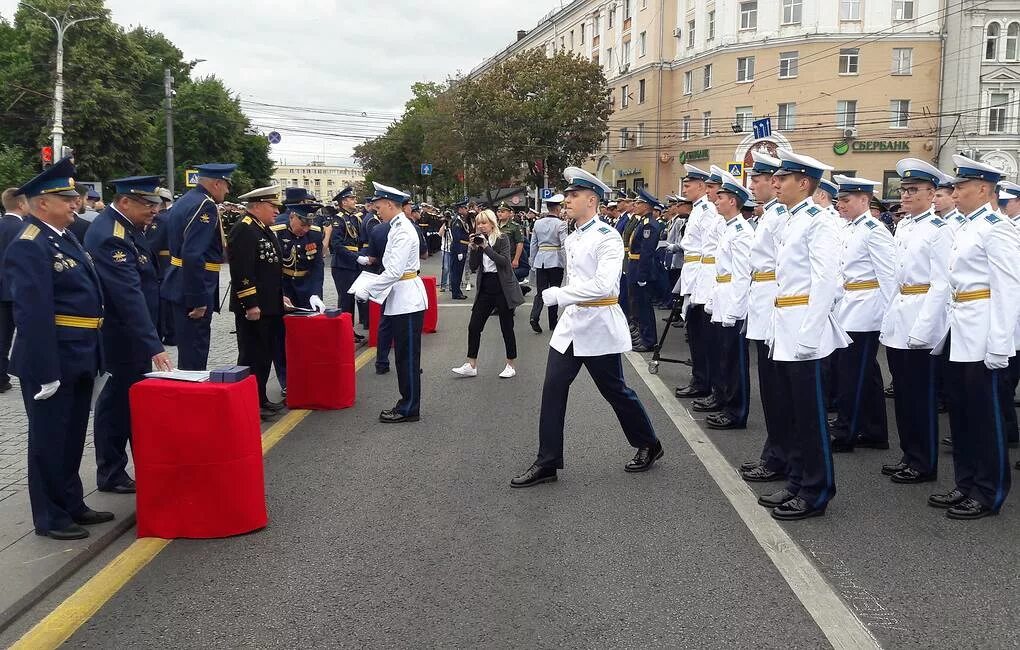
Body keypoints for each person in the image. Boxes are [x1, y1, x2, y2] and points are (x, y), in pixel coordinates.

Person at [511, 167, 662, 488]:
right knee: (553, 388)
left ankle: (648, 443)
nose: (566, 200)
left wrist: (559, 294)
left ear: (591, 200)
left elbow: (604, 285)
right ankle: (547, 461)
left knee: (615, 391)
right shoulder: (574, 235)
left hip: (598, 324)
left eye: (573, 195)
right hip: (572, 324)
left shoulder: (605, 237)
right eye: (567, 195)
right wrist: (565, 298)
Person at [4, 157, 112, 540]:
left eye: (73, 197)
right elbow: (32, 315)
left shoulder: (65, 238)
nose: (74, 203)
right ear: (40, 202)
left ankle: (71, 502)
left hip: (81, 352)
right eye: (65, 198)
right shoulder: (29, 245)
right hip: (53, 358)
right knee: (48, 439)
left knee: (70, 435)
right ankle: (49, 516)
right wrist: (45, 371)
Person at [928, 155, 1020, 520]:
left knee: (987, 416)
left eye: (961, 187)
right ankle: (966, 483)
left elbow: (1007, 288)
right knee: (963, 414)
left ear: (983, 189)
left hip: (983, 332)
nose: (955, 192)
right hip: (960, 328)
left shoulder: (997, 227)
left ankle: (989, 490)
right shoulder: (966, 226)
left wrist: (1000, 343)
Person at [759, 148, 849, 521]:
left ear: (804, 183)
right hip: (786, 326)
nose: (775, 183)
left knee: (810, 417)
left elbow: (827, 281)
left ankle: (816, 490)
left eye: (782, 179)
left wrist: (810, 336)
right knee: (792, 413)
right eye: (775, 178)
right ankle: (797, 480)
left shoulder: (820, 221)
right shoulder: (793, 219)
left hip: (804, 332)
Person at [84, 176, 174, 495]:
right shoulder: (112, 235)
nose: (155, 210)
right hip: (123, 335)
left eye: (155, 204)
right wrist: (154, 344)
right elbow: (128, 295)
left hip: (133, 332)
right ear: (124, 202)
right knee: (116, 404)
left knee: (124, 401)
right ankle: (111, 472)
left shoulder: (126, 228)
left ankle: (126, 468)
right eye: (147, 204)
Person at [879, 159, 953, 485]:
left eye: (913, 190)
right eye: (904, 189)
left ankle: (924, 462)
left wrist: (924, 328)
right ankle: (909, 454)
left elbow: (941, 283)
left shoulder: (939, 230)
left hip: (922, 316)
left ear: (932, 193)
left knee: (920, 397)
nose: (905, 195)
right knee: (905, 394)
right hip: (901, 314)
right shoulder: (906, 226)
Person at [829, 175, 897, 453]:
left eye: (846, 201)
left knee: (852, 375)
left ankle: (847, 430)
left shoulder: (874, 230)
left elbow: (889, 277)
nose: (840, 206)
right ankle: (874, 430)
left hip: (866, 309)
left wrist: (889, 317)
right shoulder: (849, 229)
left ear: (864, 200)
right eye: (839, 201)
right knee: (865, 375)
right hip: (848, 305)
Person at [354, 183, 429, 423]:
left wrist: (367, 289)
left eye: (379, 207)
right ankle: (407, 402)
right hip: (401, 296)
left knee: (407, 357)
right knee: (404, 356)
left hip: (407, 298)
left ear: (389, 204)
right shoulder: (397, 227)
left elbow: (394, 271)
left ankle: (409, 407)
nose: (377, 212)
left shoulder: (403, 230)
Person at [737, 152, 791, 482]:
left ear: (774, 182)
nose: (752, 185)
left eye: (757, 180)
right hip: (764, 306)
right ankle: (774, 452)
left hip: (775, 308)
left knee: (778, 391)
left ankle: (780, 458)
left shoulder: (781, 217)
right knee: (771, 390)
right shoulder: (770, 215)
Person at [161, 163, 235, 370]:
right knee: (195, 350)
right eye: (227, 185)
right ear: (217, 183)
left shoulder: (186, 200)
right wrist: (198, 299)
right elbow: (193, 254)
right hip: (194, 284)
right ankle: (192, 398)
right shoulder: (205, 205)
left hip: (181, 280)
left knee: (189, 348)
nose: (228, 190)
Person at [229, 186, 292, 421]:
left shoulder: (262, 228)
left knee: (264, 355)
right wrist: (251, 303)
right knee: (252, 355)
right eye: (272, 206)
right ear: (257, 206)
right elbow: (242, 270)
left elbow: (270, 270)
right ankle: (249, 402)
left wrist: (279, 296)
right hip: (254, 307)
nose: (276, 211)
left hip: (269, 305)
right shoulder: (244, 229)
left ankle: (261, 397)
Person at [702, 170, 754, 430]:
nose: (716, 200)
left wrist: (735, 309)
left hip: (733, 300)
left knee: (735, 359)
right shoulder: (728, 228)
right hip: (723, 296)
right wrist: (714, 299)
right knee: (724, 356)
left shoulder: (742, 232)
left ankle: (737, 411)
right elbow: (720, 271)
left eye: (720, 196)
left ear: (733, 200)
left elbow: (743, 275)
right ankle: (726, 402)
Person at [451, 209, 525, 379]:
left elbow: (504, 262)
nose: (481, 226)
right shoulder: (478, 241)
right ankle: (471, 364)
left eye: (484, 223)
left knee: (507, 327)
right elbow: (474, 266)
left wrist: (486, 247)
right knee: (474, 326)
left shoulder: (502, 238)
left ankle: (510, 364)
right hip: (485, 287)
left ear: (492, 223)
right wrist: (474, 248)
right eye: (478, 223)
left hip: (502, 287)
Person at [272, 203, 327, 393]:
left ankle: (307, 374)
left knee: (307, 335)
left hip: (306, 287)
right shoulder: (276, 233)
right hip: (284, 286)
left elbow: (317, 266)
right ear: (292, 217)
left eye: (308, 225)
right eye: (302, 225)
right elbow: (272, 269)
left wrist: (315, 293)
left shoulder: (315, 233)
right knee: (281, 336)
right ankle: (286, 380)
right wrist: (279, 294)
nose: (305, 230)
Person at [674, 164, 718, 399]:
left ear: (701, 186)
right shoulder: (698, 210)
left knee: (700, 334)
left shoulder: (709, 211)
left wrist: (703, 285)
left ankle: (703, 381)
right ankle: (700, 379)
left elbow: (708, 252)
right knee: (694, 332)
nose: (685, 188)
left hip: (701, 275)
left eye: (688, 185)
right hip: (692, 272)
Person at [0, 187, 30, 393]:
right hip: (15, 291)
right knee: (21, 335)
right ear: (21, 204)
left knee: (2, 336)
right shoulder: (24, 230)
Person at [627, 188, 663, 352]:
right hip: (635, 267)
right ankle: (643, 336)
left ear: (647, 205)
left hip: (641, 270)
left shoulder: (650, 225)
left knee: (643, 307)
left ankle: (648, 340)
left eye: (638, 203)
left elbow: (646, 253)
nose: (635, 205)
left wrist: (642, 276)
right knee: (637, 306)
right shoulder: (643, 222)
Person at [329, 186, 366, 342]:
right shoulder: (338, 220)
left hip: (354, 263)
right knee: (345, 299)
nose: (354, 201)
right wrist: (355, 257)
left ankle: (349, 330)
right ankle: (344, 331)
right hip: (343, 265)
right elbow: (336, 245)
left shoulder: (355, 218)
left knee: (352, 298)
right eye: (351, 199)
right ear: (344, 202)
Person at [528, 198, 568, 333]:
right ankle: (552, 322)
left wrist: (533, 261)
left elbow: (533, 244)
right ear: (557, 209)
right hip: (555, 260)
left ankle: (534, 316)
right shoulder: (561, 224)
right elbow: (563, 245)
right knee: (554, 291)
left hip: (541, 259)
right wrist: (566, 263)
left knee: (540, 291)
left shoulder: (537, 223)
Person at [145, 188, 175, 346]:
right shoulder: (173, 215)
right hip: (171, 261)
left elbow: (151, 244)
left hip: (161, 263)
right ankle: (171, 333)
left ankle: (166, 332)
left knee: (163, 302)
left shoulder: (160, 219)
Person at [448, 199, 471, 300]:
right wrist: (459, 252)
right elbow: (457, 237)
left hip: (463, 246)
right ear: (460, 209)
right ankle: (456, 292)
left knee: (458, 271)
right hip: (459, 248)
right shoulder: (457, 221)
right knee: (456, 271)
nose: (467, 210)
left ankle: (457, 290)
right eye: (465, 208)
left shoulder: (461, 219)